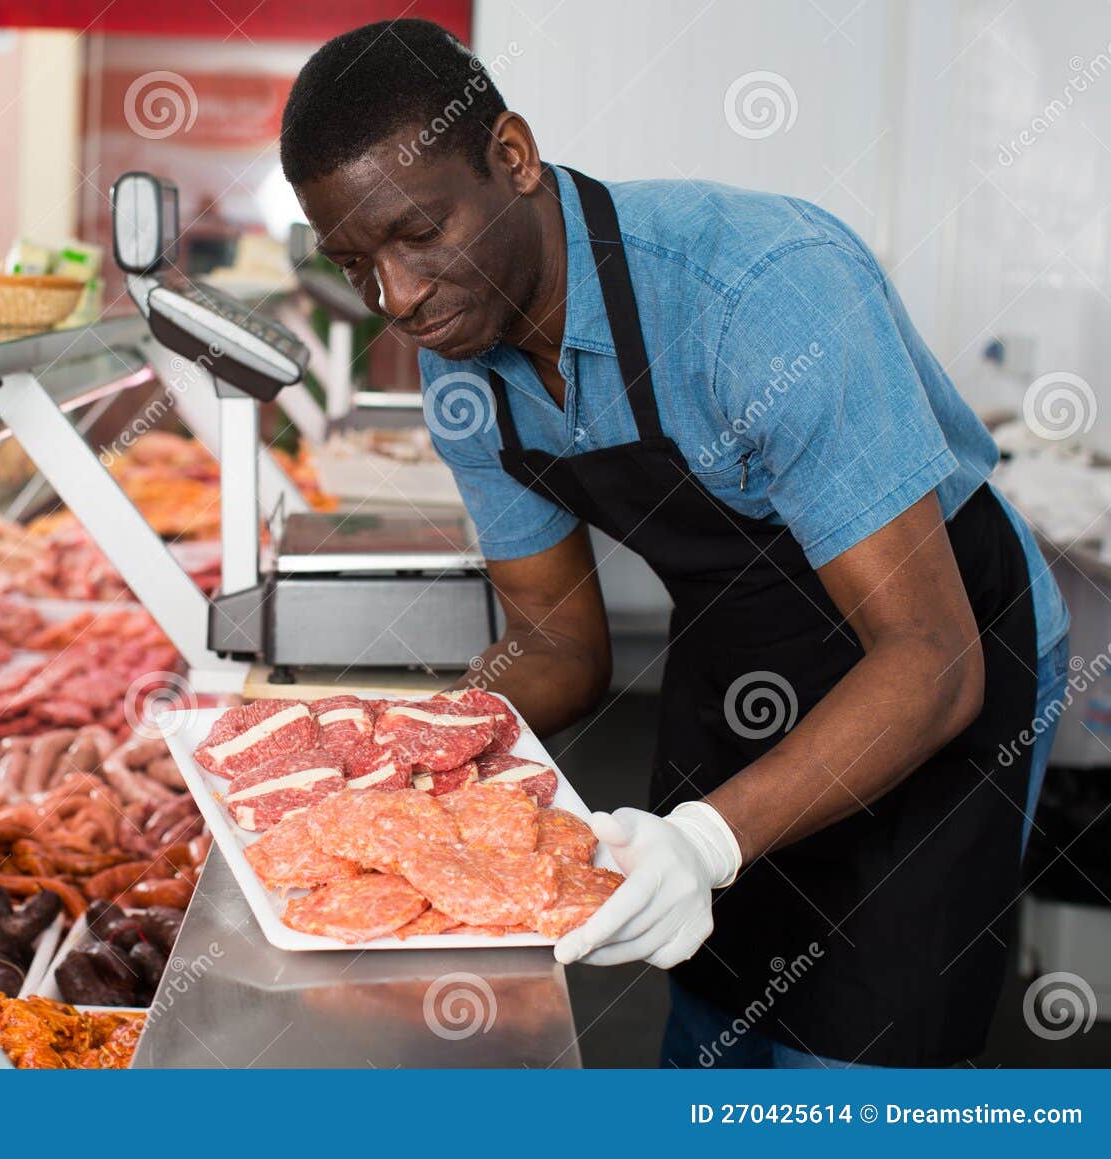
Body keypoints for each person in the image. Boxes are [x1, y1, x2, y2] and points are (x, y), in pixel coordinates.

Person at [278, 19, 1070, 1068]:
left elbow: (931, 661)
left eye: (419, 233)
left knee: (866, 1050)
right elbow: (558, 650)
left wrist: (706, 838)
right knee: (715, 1011)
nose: (399, 298)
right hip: (741, 651)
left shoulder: (757, 292)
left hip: (939, 647)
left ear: (511, 157)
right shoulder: (460, 360)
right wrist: (402, 750)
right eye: (356, 265)